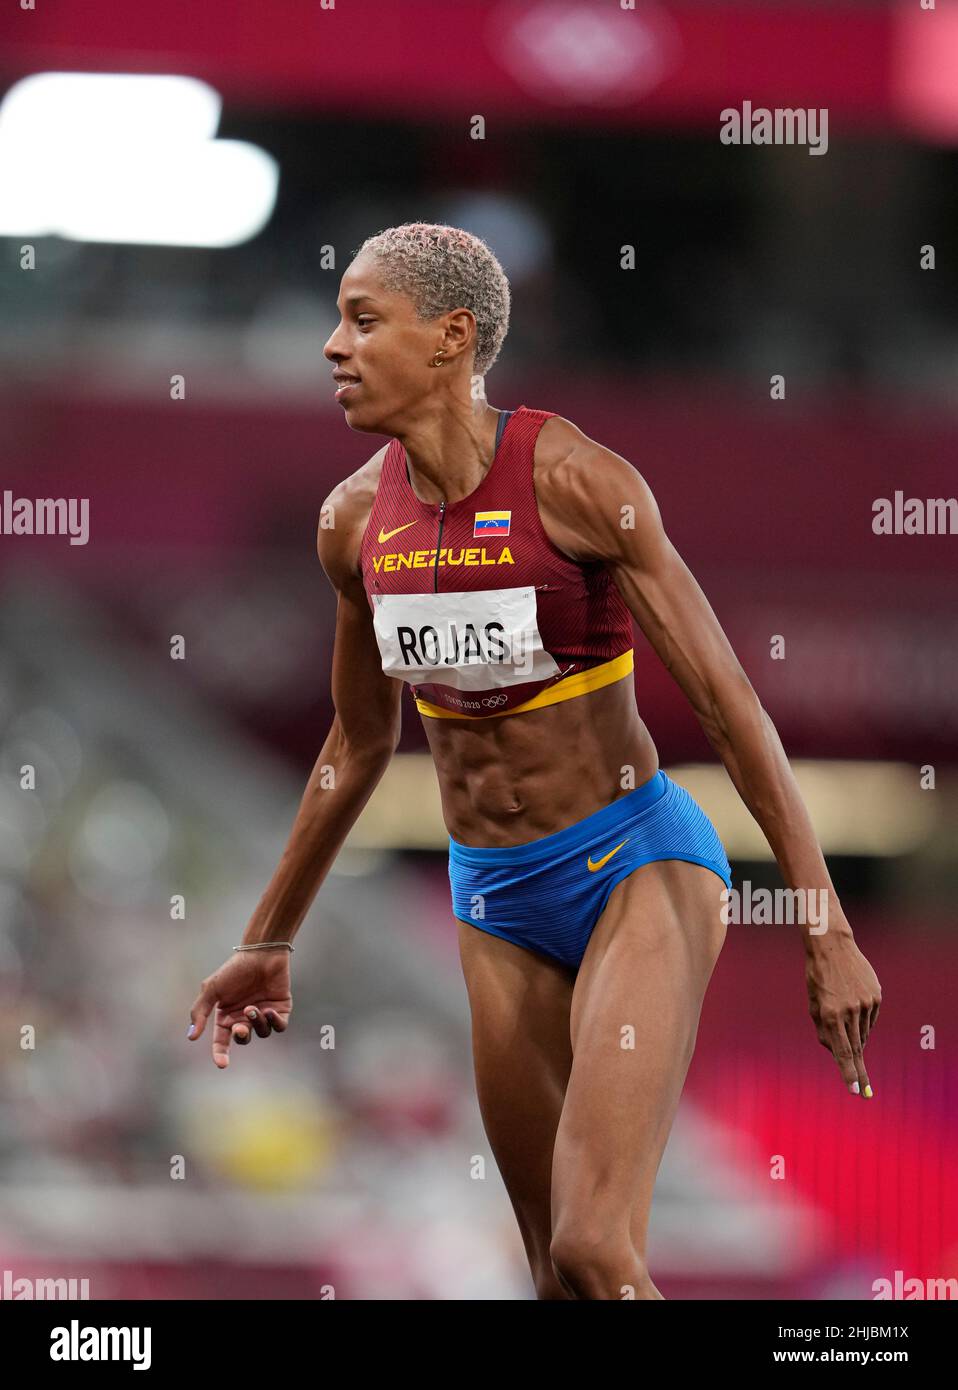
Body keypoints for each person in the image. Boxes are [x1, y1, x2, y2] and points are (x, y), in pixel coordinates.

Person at [189, 222, 882, 1301]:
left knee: (595, 1248)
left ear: (450, 339)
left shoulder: (575, 481)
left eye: (363, 321)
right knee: (551, 1278)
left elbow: (727, 700)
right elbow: (358, 743)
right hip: (493, 896)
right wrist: (268, 936)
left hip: (632, 862)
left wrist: (821, 920)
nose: (332, 346)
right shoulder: (353, 523)